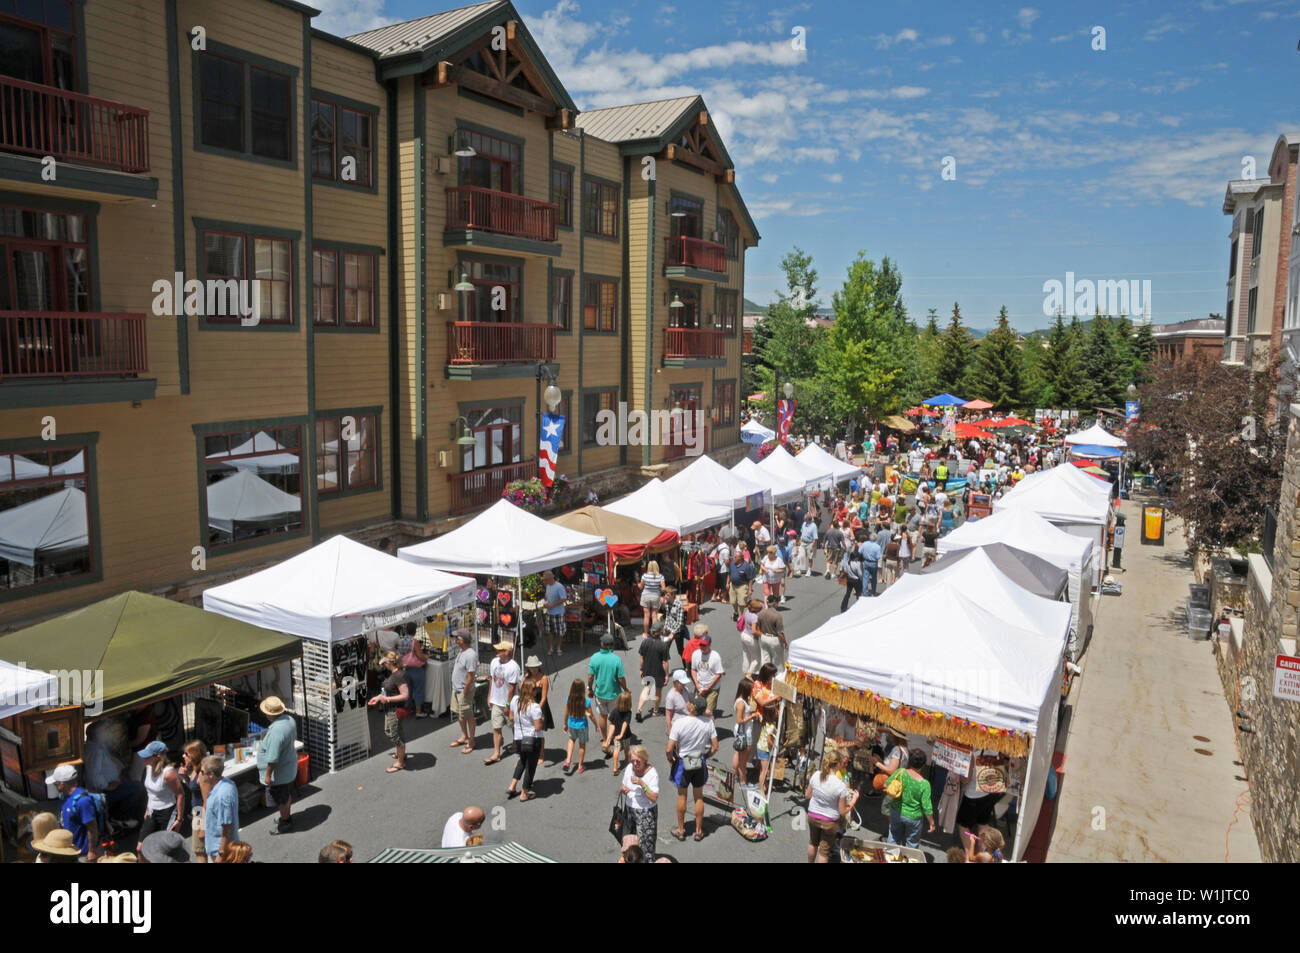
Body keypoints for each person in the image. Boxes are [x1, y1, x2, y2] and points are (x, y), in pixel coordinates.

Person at [666, 696, 719, 842]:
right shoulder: (708, 723)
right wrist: (705, 756)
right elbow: (715, 747)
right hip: (699, 761)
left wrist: (671, 760)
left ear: (692, 707)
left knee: (682, 796)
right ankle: (698, 831)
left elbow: (669, 748)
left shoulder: (679, 723)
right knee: (699, 796)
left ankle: (681, 830)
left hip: (683, 763)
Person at [805, 751, 858, 863]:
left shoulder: (816, 775)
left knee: (812, 843)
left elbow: (807, 795)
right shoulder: (840, 786)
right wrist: (853, 801)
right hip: (829, 822)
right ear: (838, 764)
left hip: (812, 816)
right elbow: (843, 812)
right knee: (824, 853)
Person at [257, 695, 298, 834]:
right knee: (285, 795)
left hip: (280, 774)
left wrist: (268, 775)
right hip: (289, 767)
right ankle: (286, 817)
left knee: (281, 799)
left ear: (269, 714)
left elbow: (273, 758)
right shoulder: (289, 720)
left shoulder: (276, 732)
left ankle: (285, 822)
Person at [367, 651, 413, 772]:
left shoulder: (398, 676)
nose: (383, 665)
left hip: (395, 710)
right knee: (390, 731)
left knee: (395, 734)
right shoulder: (392, 673)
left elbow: (405, 695)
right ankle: (401, 754)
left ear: (388, 663)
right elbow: (387, 690)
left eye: (384, 663)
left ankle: (400, 762)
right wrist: (378, 698)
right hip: (390, 709)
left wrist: (386, 699)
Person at [136, 741, 182, 850]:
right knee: (140, 848)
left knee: (165, 849)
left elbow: (180, 795)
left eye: (147, 756)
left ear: (157, 757)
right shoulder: (148, 768)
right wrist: (148, 808)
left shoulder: (168, 774)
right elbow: (150, 792)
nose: (144, 759)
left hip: (167, 811)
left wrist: (179, 819)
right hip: (152, 811)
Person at [887, 749, 936, 848]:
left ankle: (890, 858)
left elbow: (887, 784)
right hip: (913, 817)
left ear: (909, 761)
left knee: (893, 837)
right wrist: (932, 822)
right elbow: (927, 807)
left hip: (896, 811)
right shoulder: (924, 784)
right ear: (923, 765)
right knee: (912, 844)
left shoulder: (900, 772)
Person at [51, 763, 101, 861]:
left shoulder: (83, 801)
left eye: (55, 784)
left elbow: (92, 828)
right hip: (70, 852)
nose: (54, 786)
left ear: (62, 784)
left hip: (83, 854)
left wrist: (91, 851)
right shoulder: (65, 797)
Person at [620, 745, 661, 861]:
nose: (635, 764)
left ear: (645, 759)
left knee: (646, 846)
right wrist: (623, 789)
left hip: (646, 813)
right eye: (632, 761)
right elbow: (623, 785)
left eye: (638, 761)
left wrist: (642, 784)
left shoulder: (652, 774)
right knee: (629, 844)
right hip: (629, 810)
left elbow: (654, 798)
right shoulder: (629, 768)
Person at [505, 680, 544, 801]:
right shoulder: (534, 706)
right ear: (531, 691)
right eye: (535, 689)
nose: (536, 691)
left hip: (518, 738)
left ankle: (512, 785)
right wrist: (541, 719)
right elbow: (538, 727)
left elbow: (511, 717)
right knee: (530, 766)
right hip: (532, 739)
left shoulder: (515, 700)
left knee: (522, 761)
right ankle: (524, 793)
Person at [483, 641, 520, 766]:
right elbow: (492, 680)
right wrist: (489, 697)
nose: (497, 652)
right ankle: (496, 753)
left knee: (514, 726)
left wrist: (508, 705)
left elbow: (512, 687)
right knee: (496, 728)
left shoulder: (514, 667)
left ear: (507, 652)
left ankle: (516, 744)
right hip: (496, 702)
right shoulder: (494, 662)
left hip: (509, 703)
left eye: (500, 650)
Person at [588, 632, 628, 745]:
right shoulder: (616, 659)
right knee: (614, 718)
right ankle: (613, 738)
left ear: (602, 644)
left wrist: (590, 689)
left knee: (602, 716)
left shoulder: (594, 657)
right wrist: (625, 689)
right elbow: (621, 678)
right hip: (614, 694)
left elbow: (590, 676)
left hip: (600, 693)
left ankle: (605, 738)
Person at [200, 755, 239, 861]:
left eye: (202, 772)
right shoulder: (227, 784)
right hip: (218, 847)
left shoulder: (222, 795)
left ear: (211, 775)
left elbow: (227, 826)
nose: (201, 775)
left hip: (222, 851)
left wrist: (221, 853)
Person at [177, 740, 208, 863]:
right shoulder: (195, 770)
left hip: (201, 813)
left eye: (186, 754)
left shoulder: (202, 773)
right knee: (199, 849)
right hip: (197, 812)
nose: (183, 756)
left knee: (199, 850)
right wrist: (185, 777)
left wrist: (203, 828)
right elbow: (195, 789)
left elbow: (207, 801)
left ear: (194, 755)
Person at [449, 629, 478, 754]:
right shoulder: (462, 651)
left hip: (463, 690)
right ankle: (464, 736)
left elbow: (471, 677)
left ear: (463, 640)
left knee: (468, 715)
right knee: (458, 713)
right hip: (457, 689)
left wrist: (465, 690)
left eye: (457, 638)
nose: (455, 640)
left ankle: (471, 741)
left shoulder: (471, 655)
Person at [636, 621, 672, 720]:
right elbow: (665, 662)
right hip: (658, 672)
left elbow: (641, 658)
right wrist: (667, 675)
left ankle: (639, 710)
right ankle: (655, 711)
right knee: (658, 691)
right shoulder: (663, 645)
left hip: (647, 669)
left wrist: (641, 669)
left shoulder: (645, 642)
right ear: (661, 631)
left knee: (647, 689)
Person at [732, 677, 761, 784]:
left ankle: (734, 774)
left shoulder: (742, 700)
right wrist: (752, 717)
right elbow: (739, 720)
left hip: (742, 732)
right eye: (751, 688)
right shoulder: (741, 703)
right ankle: (743, 780)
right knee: (743, 759)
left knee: (738, 754)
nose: (753, 690)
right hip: (744, 732)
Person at [563, 679, 596, 774]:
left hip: (571, 724)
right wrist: (596, 725)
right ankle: (580, 766)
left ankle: (568, 761)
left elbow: (566, 713)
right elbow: (591, 715)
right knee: (582, 745)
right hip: (582, 726)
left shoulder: (569, 700)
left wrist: (565, 723)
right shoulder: (586, 701)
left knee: (571, 740)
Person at [690, 633, 725, 716]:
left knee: (708, 712)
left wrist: (708, 688)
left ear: (709, 645)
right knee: (696, 709)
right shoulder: (695, 654)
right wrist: (697, 685)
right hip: (700, 687)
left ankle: (710, 728)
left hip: (712, 689)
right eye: (701, 645)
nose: (702, 647)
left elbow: (718, 674)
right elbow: (693, 670)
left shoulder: (715, 656)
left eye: (704, 645)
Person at [755, 598, 788, 668]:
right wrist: (785, 642)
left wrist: (763, 636)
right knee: (778, 662)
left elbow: (758, 628)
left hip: (764, 638)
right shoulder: (777, 616)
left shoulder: (760, 613)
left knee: (765, 660)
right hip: (774, 639)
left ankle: (765, 676)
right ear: (775, 604)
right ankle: (778, 676)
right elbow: (780, 633)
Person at [607, 690, 634, 773]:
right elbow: (625, 723)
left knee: (616, 750)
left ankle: (615, 768)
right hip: (625, 735)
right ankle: (627, 759)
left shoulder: (614, 711)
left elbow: (611, 724)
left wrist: (609, 737)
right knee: (626, 748)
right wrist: (622, 734)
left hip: (616, 735)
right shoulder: (628, 712)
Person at [542, 570, 568, 656]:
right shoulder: (548, 586)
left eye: (545, 580)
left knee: (560, 632)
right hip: (550, 612)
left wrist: (552, 604)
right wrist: (546, 601)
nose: (544, 582)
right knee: (550, 631)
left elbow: (564, 599)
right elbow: (547, 596)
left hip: (558, 612)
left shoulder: (559, 586)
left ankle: (559, 647)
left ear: (549, 579)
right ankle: (551, 647)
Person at [728, 543, 756, 621]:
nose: (734, 558)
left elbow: (750, 578)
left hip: (742, 586)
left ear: (740, 558)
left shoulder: (746, 566)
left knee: (742, 602)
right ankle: (736, 612)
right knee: (733, 602)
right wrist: (727, 583)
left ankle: (740, 616)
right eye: (734, 556)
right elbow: (729, 574)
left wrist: (750, 589)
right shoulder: (732, 564)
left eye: (736, 557)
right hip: (733, 585)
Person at [663, 669, 693, 736]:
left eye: (684, 683)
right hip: (678, 726)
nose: (684, 684)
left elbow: (690, 705)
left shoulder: (686, 690)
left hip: (689, 723)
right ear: (675, 682)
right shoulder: (671, 696)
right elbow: (668, 716)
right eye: (681, 683)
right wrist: (670, 730)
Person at [638, 560, 664, 631]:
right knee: (654, 615)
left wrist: (637, 583)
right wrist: (658, 588)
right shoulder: (660, 576)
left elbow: (640, 587)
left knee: (646, 615)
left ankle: (646, 633)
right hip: (655, 596)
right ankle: (654, 633)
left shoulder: (644, 576)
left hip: (646, 596)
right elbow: (663, 588)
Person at [739, 597, 762, 675]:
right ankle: (749, 674)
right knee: (756, 659)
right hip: (751, 638)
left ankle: (745, 672)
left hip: (743, 635)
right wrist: (763, 635)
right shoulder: (754, 617)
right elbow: (754, 631)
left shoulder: (747, 612)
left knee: (746, 655)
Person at [661, 587, 686, 659]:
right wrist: (665, 626)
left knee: (680, 651)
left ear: (673, 595)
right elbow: (668, 616)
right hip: (669, 629)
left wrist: (673, 633)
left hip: (677, 631)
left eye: (667, 595)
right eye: (665, 594)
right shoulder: (666, 602)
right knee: (664, 650)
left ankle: (687, 668)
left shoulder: (679, 605)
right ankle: (664, 669)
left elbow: (680, 623)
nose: (665, 596)